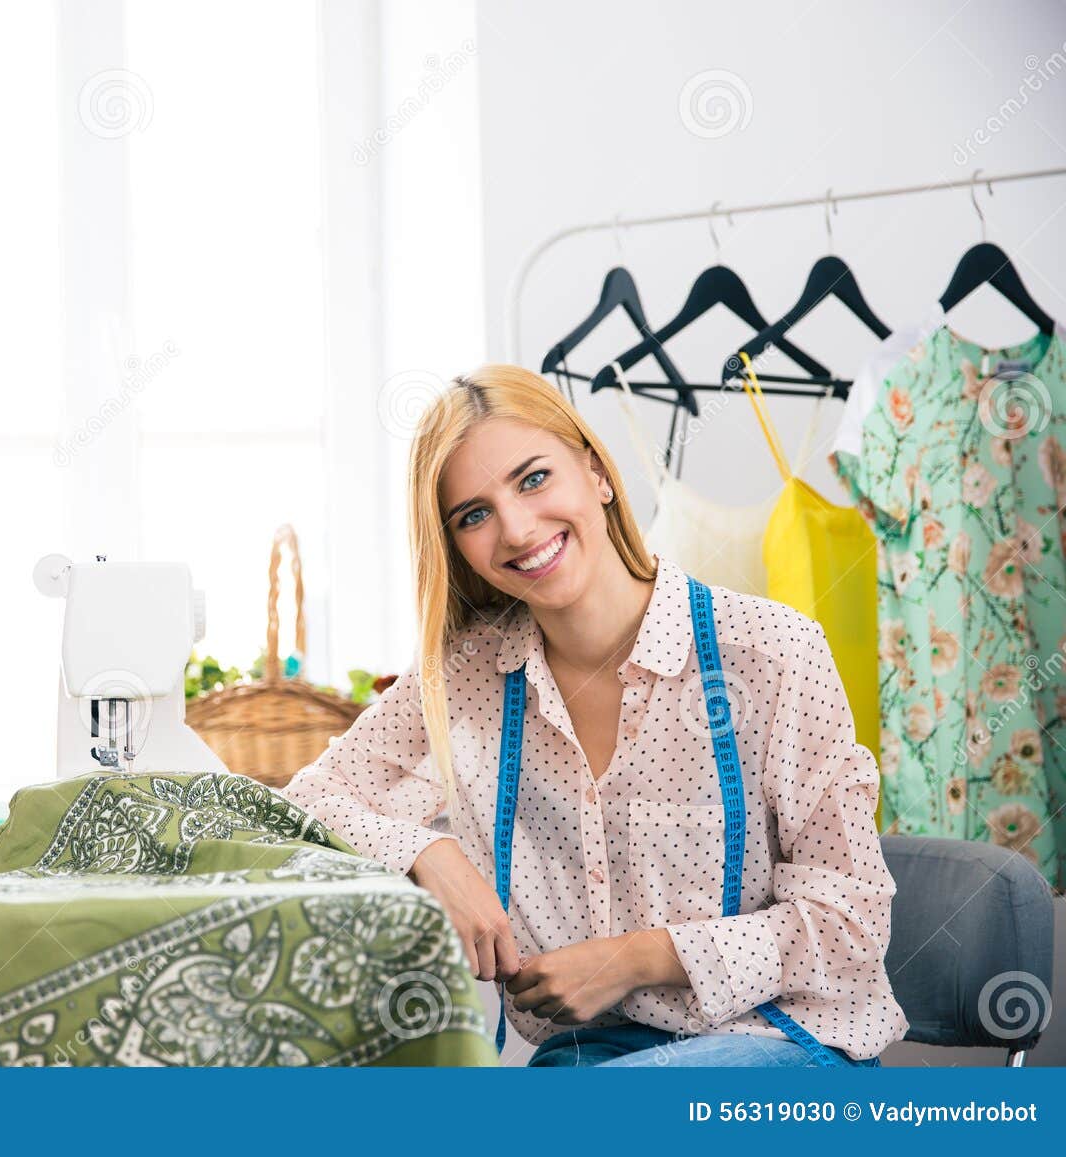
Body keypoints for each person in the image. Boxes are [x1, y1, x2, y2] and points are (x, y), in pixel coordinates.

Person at [283, 364, 908, 1066]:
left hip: (779, 1038)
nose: (518, 529)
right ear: (455, 544)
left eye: (533, 478)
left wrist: (635, 958)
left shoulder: (771, 653)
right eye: (474, 514)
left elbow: (851, 924)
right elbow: (304, 802)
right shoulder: (467, 677)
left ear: (597, 474)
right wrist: (429, 853)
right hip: (592, 1055)